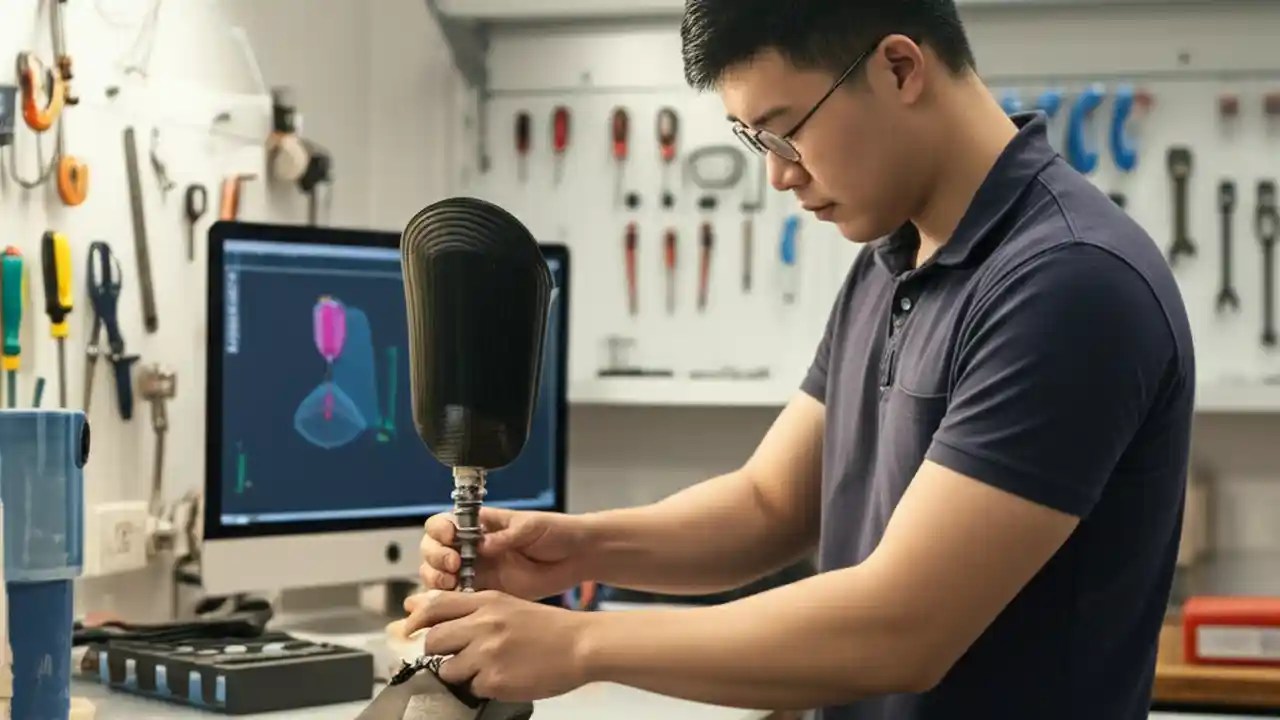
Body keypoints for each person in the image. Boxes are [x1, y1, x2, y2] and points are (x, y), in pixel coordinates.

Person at [397, 1, 1196, 718]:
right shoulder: (897, 256)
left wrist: (576, 645)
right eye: (755, 141)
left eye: (787, 131)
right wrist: (573, 548)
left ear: (899, 67)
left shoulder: (1069, 282)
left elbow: (902, 629)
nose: (778, 174)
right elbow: (769, 505)